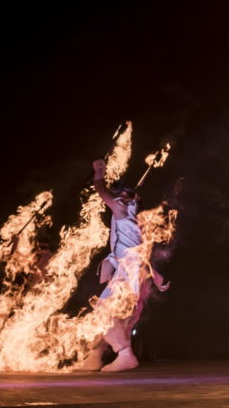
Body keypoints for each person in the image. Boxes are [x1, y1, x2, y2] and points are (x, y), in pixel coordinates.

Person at [78, 159, 167, 372]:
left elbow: (102, 193)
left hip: (128, 271)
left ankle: (125, 354)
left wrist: (98, 174)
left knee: (107, 314)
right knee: (107, 314)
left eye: (119, 194)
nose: (116, 198)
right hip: (128, 270)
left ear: (127, 197)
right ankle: (96, 355)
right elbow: (140, 253)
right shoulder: (135, 216)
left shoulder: (122, 210)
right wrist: (155, 276)